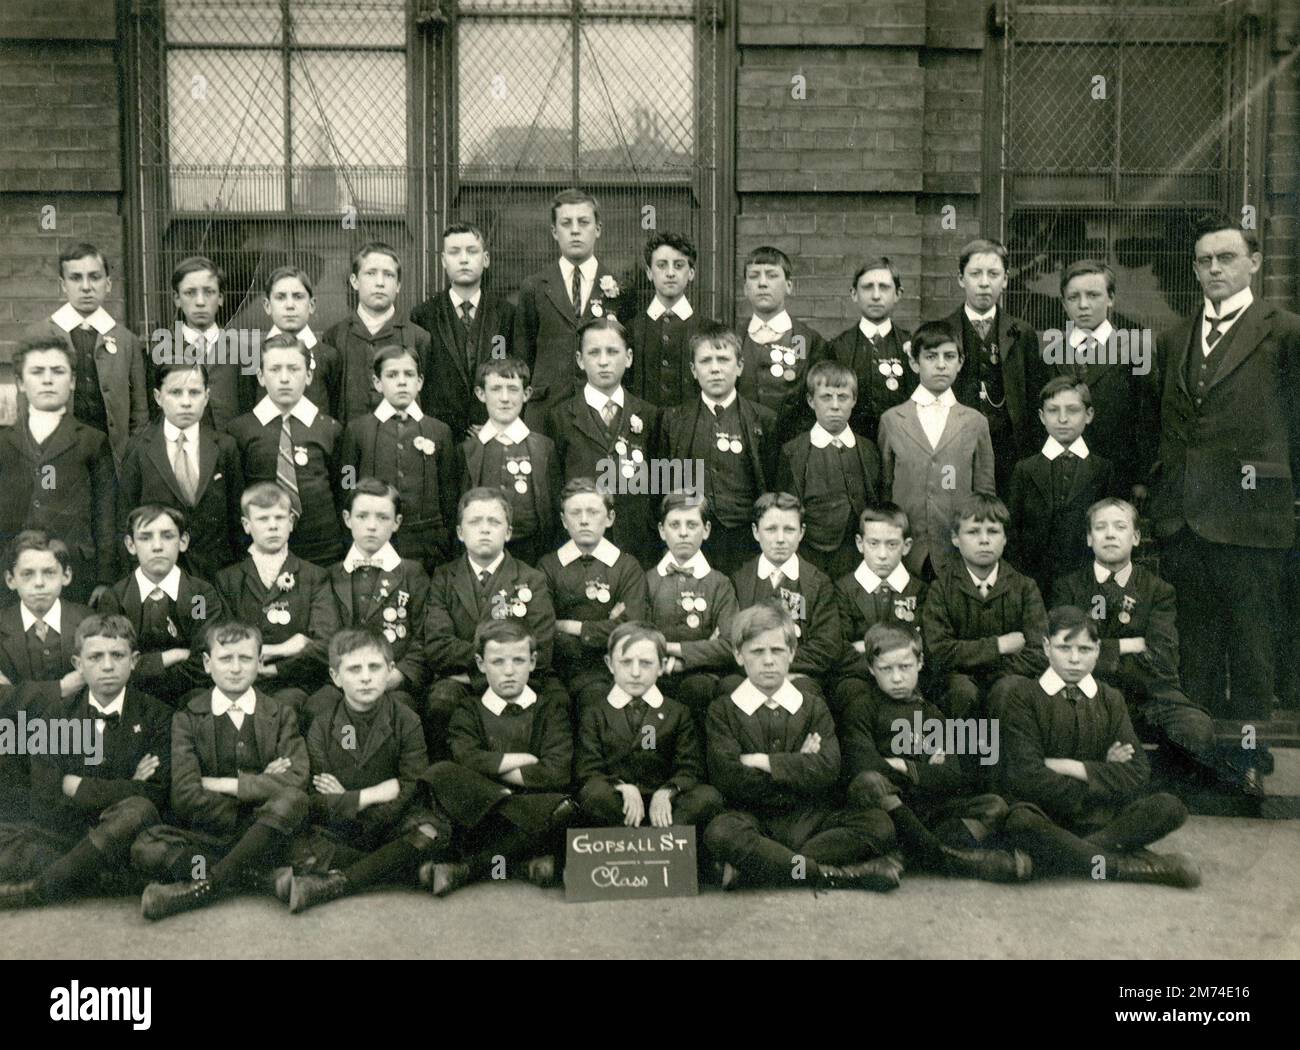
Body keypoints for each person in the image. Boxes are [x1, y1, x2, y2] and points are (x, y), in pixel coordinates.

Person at [1147, 213, 1300, 731]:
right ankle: (1199, 752)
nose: (1215, 269)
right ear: (1194, 270)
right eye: (1205, 261)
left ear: (1254, 264)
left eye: (1227, 258)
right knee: (1196, 644)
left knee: (1252, 641)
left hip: (1253, 518)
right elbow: (1161, 423)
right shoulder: (1175, 337)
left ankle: (1248, 759)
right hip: (1186, 521)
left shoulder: (1284, 332)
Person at [1052, 498, 1259, 799]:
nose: (1110, 534)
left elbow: (1162, 658)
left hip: (1148, 696)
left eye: (1120, 527)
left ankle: (1146, 786)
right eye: (1100, 528)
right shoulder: (1068, 587)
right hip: (1089, 694)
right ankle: (1114, 785)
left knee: (1195, 730)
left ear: (1135, 537)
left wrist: (1098, 651)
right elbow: (1066, 653)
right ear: (1088, 537)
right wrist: (1128, 645)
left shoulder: (1158, 591)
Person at [997, 606, 1201, 888]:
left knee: (1170, 806)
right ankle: (1128, 867)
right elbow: (1026, 775)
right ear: (1046, 647)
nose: (1074, 659)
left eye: (1084, 649)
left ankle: (1067, 856)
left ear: (1097, 651)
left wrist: (1071, 767)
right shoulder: (1025, 697)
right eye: (1064, 648)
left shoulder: (1109, 698)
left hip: (1102, 818)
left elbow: (1137, 771)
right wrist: (1101, 773)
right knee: (1020, 822)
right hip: (1049, 813)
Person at [703, 601, 901, 891]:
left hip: (810, 818)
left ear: (792, 653)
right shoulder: (724, 710)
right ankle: (834, 875)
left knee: (879, 824)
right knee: (720, 832)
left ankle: (761, 869)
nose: (768, 660)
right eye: (757, 652)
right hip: (755, 820)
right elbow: (729, 778)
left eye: (777, 651)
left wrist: (762, 761)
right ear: (738, 655)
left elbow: (829, 769)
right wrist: (799, 763)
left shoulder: (811, 706)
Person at [133, 621, 310, 920]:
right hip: (220, 834)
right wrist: (261, 784)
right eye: (226, 658)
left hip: (263, 826)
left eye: (245, 658)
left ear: (260, 662)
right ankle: (255, 875)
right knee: (145, 846)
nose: (236, 668)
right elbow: (185, 795)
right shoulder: (188, 717)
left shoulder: (280, 714)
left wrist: (222, 784)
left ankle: (206, 885)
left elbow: (296, 779)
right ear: (207, 663)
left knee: (293, 800)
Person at [0, 615, 171, 909]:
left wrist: (75, 785)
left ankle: (40, 889)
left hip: (126, 833)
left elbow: (155, 793)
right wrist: (129, 785)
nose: (107, 666)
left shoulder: (157, 715)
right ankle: (97, 876)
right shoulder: (54, 715)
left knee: (137, 810)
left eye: (117, 655)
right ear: (79, 664)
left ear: (134, 660)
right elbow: (45, 795)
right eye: (95, 657)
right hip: (66, 834)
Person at [840, 623, 1030, 883]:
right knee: (870, 783)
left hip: (925, 811)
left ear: (919, 663)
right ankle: (951, 859)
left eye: (905, 667)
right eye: (886, 669)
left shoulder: (930, 713)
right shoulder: (862, 708)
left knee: (994, 807)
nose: (896, 678)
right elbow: (862, 763)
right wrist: (923, 769)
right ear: (872, 669)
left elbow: (952, 774)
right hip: (887, 810)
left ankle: (912, 852)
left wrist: (903, 766)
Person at [284, 630, 444, 913]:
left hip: (392, 821)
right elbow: (318, 796)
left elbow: (410, 786)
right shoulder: (322, 725)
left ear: (390, 670)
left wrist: (357, 805)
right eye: (354, 669)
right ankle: (391, 866)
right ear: (335, 677)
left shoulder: (407, 720)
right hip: (340, 826)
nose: (366, 677)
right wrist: (367, 796)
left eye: (374, 667)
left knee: (431, 831)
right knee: (295, 841)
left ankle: (341, 881)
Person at [420, 620, 577, 896]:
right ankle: (522, 864)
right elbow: (466, 758)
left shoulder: (550, 709)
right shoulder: (469, 708)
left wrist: (492, 771)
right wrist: (524, 759)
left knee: (564, 808)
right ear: (481, 664)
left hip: (532, 806)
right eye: (498, 661)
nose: (508, 671)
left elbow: (557, 771)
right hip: (487, 813)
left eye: (518, 660)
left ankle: (467, 870)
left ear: (533, 661)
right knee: (441, 772)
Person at [423, 487, 561, 757]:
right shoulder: (443, 578)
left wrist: (477, 670)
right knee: (441, 701)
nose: (484, 529)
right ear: (461, 533)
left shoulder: (531, 579)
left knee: (555, 701)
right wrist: (496, 662)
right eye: (475, 522)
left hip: (515, 679)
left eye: (494, 522)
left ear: (508, 532)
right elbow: (438, 647)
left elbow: (541, 649)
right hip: (457, 686)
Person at [0, 335, 116, 604]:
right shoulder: (4, 443)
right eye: (37, 372)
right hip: (13, 574)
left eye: (58, 371)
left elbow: (106, 515)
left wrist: (104, 579)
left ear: (73, 381)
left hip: (75, 571)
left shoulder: (92, 441)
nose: (48, 380)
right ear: (20, 382)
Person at [575, 622, 724, 830]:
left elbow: (689, 767)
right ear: (610, 664)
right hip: (618, 804)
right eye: (626, 662)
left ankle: (660, 842)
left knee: (708, 797)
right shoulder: (596, 713)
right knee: (593, 794)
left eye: (646, 663)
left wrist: (668, 791)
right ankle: (629, 843)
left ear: (662, 666)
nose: (635, 672)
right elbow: (588, 770)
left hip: (665, 808)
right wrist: (622, 787)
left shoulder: (677, 713)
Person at [877, 321, 995, 578]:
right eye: (931, 357)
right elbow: (885, 488)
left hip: (956, 551)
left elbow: (984, 493)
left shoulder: (975, 422)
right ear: (914, 363)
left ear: (960, 363)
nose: (941, 364)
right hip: (907, 551)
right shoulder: (893, 420)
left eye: (949, 356)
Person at [214, 483, 339, 721]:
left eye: (279, 518)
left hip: (297, 684)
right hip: (243, 683)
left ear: (291, 522)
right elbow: (223, 642)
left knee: (286, 707)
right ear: (246, 526)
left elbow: (325, 644)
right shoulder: (228, 580)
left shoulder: (314, 576)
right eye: (262, 519)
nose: (273, 525)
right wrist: (286, 647)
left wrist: (275, 667)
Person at [660, 324, 778, 576]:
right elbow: (662, 487)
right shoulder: (674, 420)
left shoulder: (763, 420)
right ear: (693, 370)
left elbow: (771, 484)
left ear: (739, 366)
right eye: (705, 361)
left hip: (744, 539)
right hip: (692, 538)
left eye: (723, 359)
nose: (715, 368)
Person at [544, 314, 661, 565]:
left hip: (636, 546)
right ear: (580, 360)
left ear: (628, 358)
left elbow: (658, 486)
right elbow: (553, 487)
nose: (604, 361)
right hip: (580, 544)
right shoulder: (559, 417)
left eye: (613, 352)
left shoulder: (649, 416)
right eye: (594, 353)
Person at [311, 479, 431, 720]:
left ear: (397, 522)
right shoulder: (331, 575)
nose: (372, 526)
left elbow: (423, 636)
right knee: (317, 708)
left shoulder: (412, 573)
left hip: (393, 683)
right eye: (362, 516)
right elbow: (325, 637)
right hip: (341, 684)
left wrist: (398, 676)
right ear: (347, 519)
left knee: (401, 714)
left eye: (382, 517)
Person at [117, 361, 246, 583]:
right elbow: (125, 517)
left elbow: (237, 519)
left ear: (206, 397)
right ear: (158, 397)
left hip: (215, 574)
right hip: (158, 575)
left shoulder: (224, 447)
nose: (186, 402)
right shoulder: (139, 449)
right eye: (176, 392)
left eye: (194, 393)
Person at [921, 494, 1048, 718]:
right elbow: (938, 652)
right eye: (973, 532)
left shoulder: (1025, 588)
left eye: (993, 531)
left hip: (1008, 682)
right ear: (955, 538)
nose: (984, 540)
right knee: (962, 692)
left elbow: (1039, 652)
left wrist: (987, 672)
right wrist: (998, 646)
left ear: (1005, 538)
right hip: (957, 687)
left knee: (1008, 690)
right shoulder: (940, 589)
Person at [513, 188, 630, 427]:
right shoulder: (534, 287)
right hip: (545, 411)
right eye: (566, 223)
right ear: (555, 232)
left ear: (598, 229)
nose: (575, 230)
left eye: (583, 222)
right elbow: (522, 355)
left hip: (600, 412)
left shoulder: (620, 287)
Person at [339, 344, 461, 571]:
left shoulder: (439, 431)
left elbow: (449, 493)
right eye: (392, 375)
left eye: (409, 374)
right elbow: (348, 488)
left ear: (420, 382)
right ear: (377, 383)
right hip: (375, 540)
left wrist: (445, 539)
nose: (402, 382)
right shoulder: (358, 430)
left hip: (427, 545)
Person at [227, 333, 345, 566]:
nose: (284, 378)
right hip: (262, 549)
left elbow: (343, 488)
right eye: (274, 369)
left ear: (309, 375)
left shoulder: (330, 429)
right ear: (260, 376)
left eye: (293, 369)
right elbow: (235, 496)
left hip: (322, 549)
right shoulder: (240, 430)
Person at [935, 237, 1043, 494]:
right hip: (956, 445)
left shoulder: (1022, 333)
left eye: (993, 274)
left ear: (1005, 280)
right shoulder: (942, 331)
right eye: (975, 274)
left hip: (1010, 448)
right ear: (961, 279)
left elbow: (1033, 394)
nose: (984, 282)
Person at [27, 242, 147, 470]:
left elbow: (139, 413)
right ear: (63, 285)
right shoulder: (39, 335)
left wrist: (130, 460)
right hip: (57, 460)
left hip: (112, 461)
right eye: (75, 278)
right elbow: (27, 411)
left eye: (95, 277)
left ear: (108, 284)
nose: (86, 287)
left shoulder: (126, 340)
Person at [0, 532, 93, 821]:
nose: (39, 583)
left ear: (66, 575)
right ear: (10, 579)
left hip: (81, 740)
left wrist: (18, 693)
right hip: (13, 745)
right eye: (27, 574)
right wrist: (62, 687)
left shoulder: (88, 620)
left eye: (49, 572)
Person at [1051, 259, 1160, 500]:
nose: (1083, 305)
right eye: (1073, 297)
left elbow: (1149, 419)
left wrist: (1142, 478)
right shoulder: (1053, 352)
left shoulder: (1135, 350)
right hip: (1063, 480)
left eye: (1093, 295)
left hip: (1119, 478)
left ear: (1111, 298)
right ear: (1063, 303)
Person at [97, 505, 225, 705]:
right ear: (131, 545)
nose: (157, 546)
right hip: (132, 701)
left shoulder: (199, 597)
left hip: (190, 698)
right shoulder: (115, 599)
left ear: (182, 542)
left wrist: (144, 668)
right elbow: (116, 663)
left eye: (167, 536)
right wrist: (172, 656)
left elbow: (204, 661)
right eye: (145, 537)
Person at [538, 478, 648, 711]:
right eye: (575, 513)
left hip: (606, 669)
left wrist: (570, 627)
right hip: (557, 668)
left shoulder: (627, 567)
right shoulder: (548, 566)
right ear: (563, 521)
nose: (584, 520)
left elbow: (631, 627)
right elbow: (543, 627)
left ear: (610, 518)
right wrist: (606, 626)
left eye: (593, 512)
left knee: (595, 698)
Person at [1007, 376, 1114, 597]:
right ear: (1041, 417)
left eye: (1072, 410)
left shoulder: (1103, 469)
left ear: (1089, 415)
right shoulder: (1025, 470)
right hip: (1035, 582)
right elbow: (1013, 532)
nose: (1063, 419)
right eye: (1053, 411)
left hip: (1085, 580)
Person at [775, 359, 881, 581]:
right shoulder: (793, 452)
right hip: (811, 555)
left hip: (856, 556)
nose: (835, 405)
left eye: (842, 397)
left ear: (854, 400)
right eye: (826, 397)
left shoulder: (868, 450)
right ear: (811, 401)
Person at [410, 221, 516, 442]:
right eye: (454, 252)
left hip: (495, 434)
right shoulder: (423, 316)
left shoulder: (508, 315)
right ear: (443, 261)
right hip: (440, 438)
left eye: (472, 251)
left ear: (485, 259)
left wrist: (496, 423)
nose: (464, 259)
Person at [644, 492, 740, 727]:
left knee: (697, 690)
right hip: (652, 674)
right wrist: (704, 645)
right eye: (675, 525)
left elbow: (729, 645)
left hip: (702, 677)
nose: (683, 532)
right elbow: (637, 634)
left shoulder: (719, 584)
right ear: (661, 530)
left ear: (706, 530)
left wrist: (675, 652)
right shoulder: (646, 581)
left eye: (692, 524)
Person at [728, 493, 841, 694]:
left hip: (800, 676)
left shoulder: (818, 583)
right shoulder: (738, 579)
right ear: (755, 532)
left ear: (801, 532)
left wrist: (781, 671)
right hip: (748, 675)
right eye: (771, 529)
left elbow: (826, 647)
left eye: (789, 530)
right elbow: (731, 639)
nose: (780, 539)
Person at [461, 357, 563, 567]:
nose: (505, 398)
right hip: (482, 555)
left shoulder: (544, 448)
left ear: (526, 394)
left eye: (513, 389)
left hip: (532, 555)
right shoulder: (467, 450)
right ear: (481, 394)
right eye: (496, 389)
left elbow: (552, 510)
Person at [833, 502, 929, 717]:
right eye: (874, 543)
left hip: (904, 681)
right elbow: (841, 648)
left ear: (906, 546)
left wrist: (865, 646)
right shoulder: (843, 589)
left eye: (892, 544)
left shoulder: (919, 590)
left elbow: (923, 644)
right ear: (860, 543)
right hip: (859, 679)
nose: (882, 554)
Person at [322, 241, 433, 424]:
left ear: (398, 285)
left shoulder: (419, 337)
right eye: (371, 273)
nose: (380, 283)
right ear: (354, 281)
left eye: (388, 275)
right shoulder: (334, 337)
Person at [736, 246, 829, 442]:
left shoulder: (805, 340)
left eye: (772, 275)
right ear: (745, 288)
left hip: (792, 450)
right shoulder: (734, 338)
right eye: (754, 276)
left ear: (789, 285)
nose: (762, 283)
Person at [826, 257, 916, 441]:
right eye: (867, 287)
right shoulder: (837, 347)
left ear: (898, 293)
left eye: (884, 287)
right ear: (854, 294)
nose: (876, 295)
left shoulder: (912, 345)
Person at [626, 231, 710, 407]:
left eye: (679, 266)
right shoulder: (633, 328)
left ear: (691, 273)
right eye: (661, 265)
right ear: (649, 273)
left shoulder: (707, 330)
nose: (670, 273)